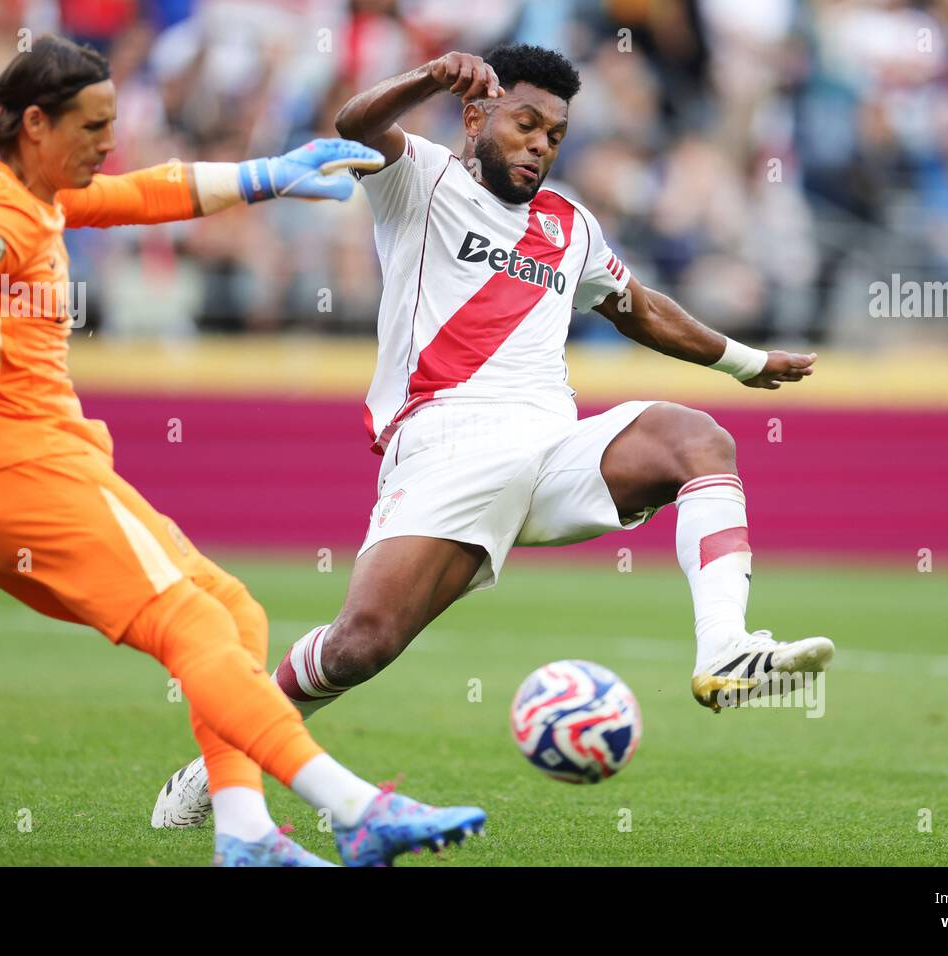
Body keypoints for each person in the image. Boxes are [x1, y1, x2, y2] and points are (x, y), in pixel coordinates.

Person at [0, 35, 485, 868]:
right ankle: (353, 807)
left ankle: (245, 834)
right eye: (95, 125)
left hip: (37, 477)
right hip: (28, 477)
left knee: (233, 612)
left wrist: (268, 173)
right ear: (36, 122)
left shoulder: (29, 191)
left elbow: (138, 194)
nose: (110, 141)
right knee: (195, 621)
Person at [158, 43, 835, 827]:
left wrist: (746, 363)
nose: (541, 143)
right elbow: (352, 124)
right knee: (360, 647)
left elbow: (636, 306)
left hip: (553, 447)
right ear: (477, 117)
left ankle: (725, 648)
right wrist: (427, 77)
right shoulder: (420, 178)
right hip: (446, 443)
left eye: (555, 132)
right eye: (525, 123)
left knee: (698, 440)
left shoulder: (571, 225)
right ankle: (224, 756)